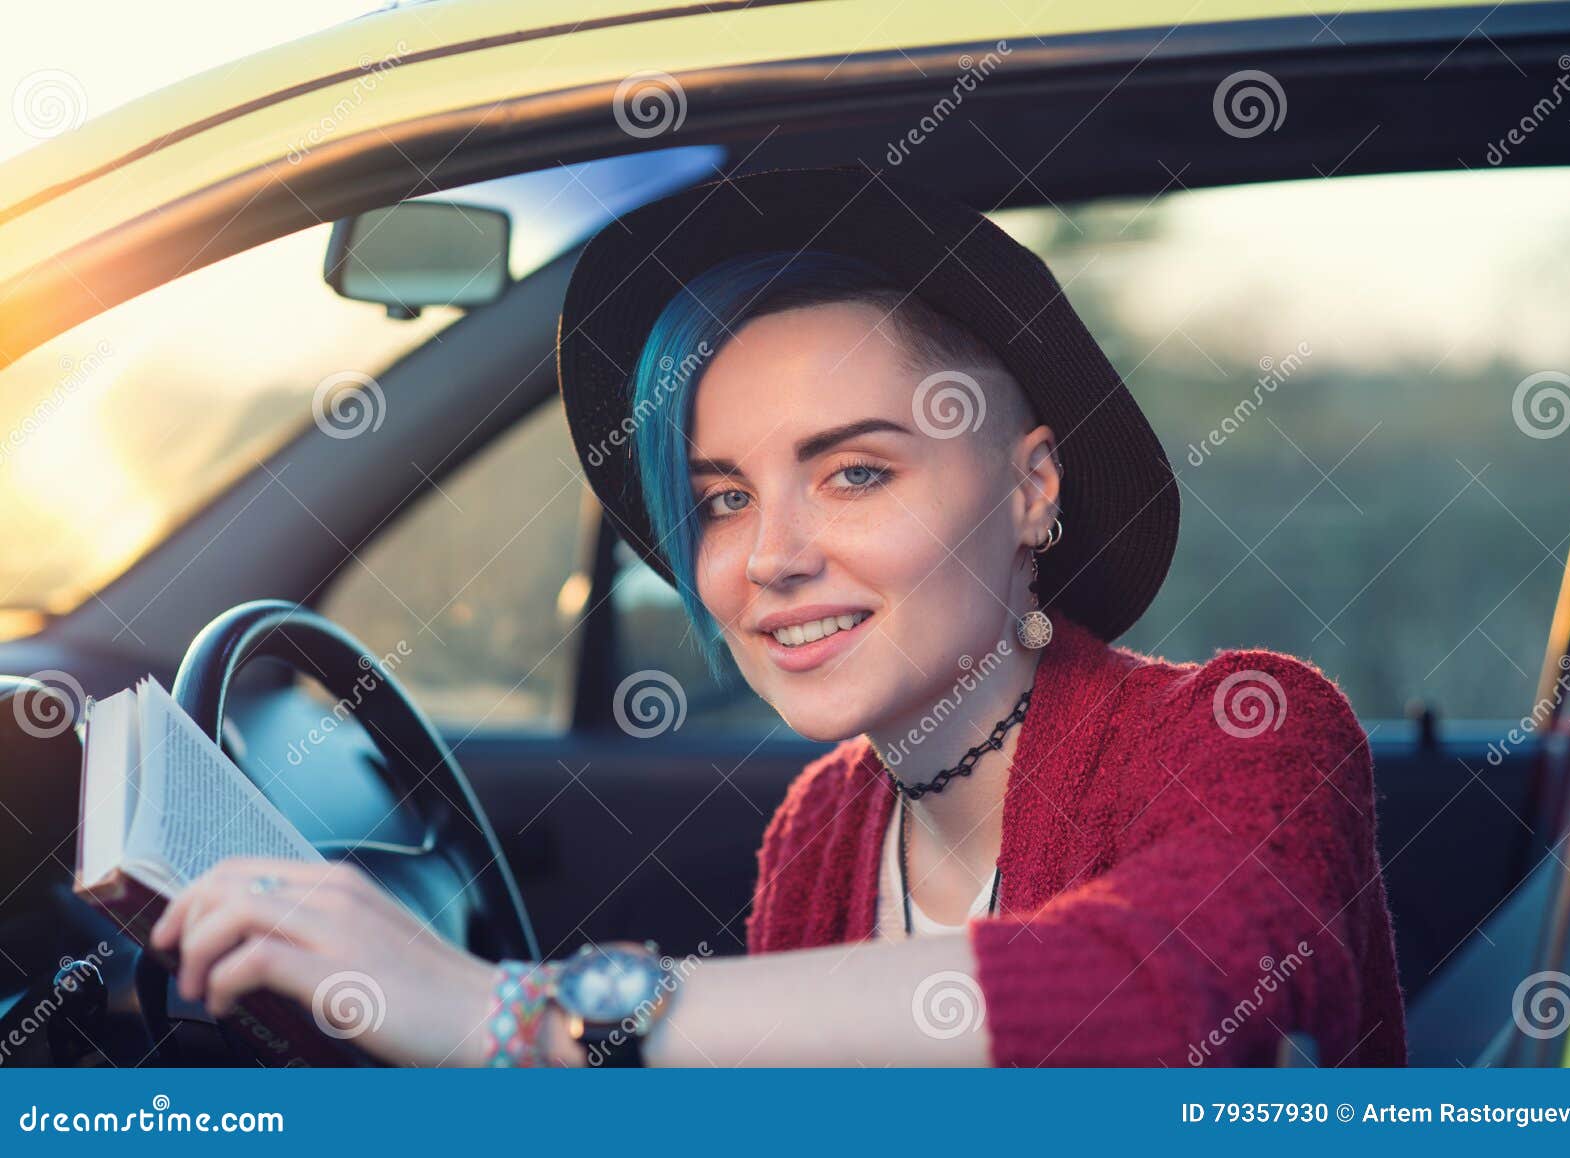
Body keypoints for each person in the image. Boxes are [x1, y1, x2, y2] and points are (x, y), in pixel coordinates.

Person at [148, 164, 1407, 1067]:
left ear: (1030, 487)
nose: (773, 558)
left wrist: (514, 1016)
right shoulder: (822, 827)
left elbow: (1179, 1004)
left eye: (857, 472)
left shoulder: (1254, 730)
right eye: (723, 499)